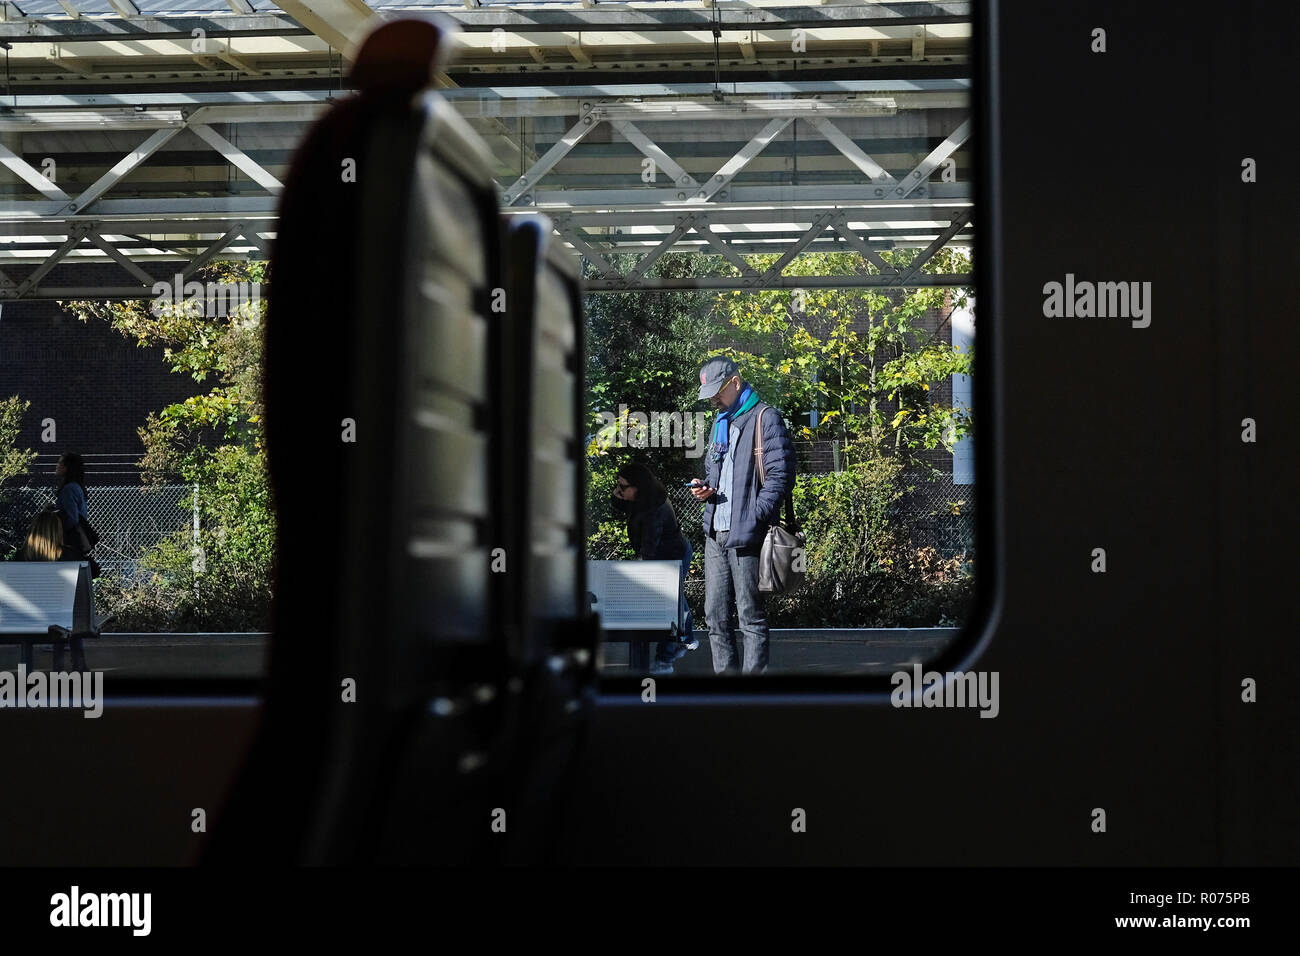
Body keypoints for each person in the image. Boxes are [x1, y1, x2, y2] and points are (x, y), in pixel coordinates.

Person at [688, 355, 796, 674]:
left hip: (747, 533)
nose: (714, 402)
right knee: (714, 617)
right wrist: (704, 488)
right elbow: (715, 474)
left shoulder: (766, 418)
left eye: (717, 393)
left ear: (735, 382)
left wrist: (754, 517)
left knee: (750, 616)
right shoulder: (721, 424)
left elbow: (781, 477)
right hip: (715, 534)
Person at [609, 461, 698, 675]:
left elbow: (649, 548)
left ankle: (671, 652)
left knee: (673, 601)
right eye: (617, 485)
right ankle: (675, 647)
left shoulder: (653, 511)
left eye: (623, 487)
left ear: (638, 487)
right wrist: (617, 495)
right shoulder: (643, 499)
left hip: (671, 555)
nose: (618, 490)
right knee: (673, 601)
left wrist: (638, 574)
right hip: (665, 554)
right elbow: (622, 506)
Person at [54, 452, 93, 562]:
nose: (57, 466)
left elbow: (72, 519)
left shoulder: (69, 489)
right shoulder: (76, 487)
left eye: (60, 463)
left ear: (67, 468)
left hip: (69, 543)